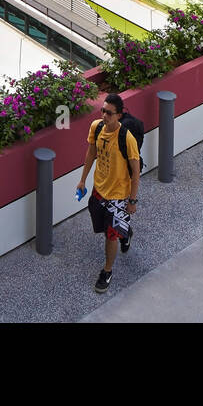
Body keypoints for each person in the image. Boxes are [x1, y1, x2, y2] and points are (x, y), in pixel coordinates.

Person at [77, 92, 140, 293]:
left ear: (119, 115)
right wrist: (82, 180)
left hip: (118, 196)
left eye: (109, 113)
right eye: (103, 111)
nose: (105, 115)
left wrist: (132, 200)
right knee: (101, 225)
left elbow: (135, 171)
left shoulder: (127, 138)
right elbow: (91, 153)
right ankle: (125, 231)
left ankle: (107, 271)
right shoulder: (96, 127)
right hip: (99, 189)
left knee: (110, 236)